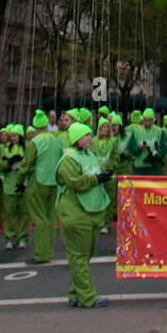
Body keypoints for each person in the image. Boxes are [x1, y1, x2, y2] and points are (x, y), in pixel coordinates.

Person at [56, 121, 111, 308]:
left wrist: (103, 176)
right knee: (79, 256)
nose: (90, 138)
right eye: (87, 135)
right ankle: (87, 297)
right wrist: (97, 179)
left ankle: (75, 292)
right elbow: (77, 182)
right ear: (77, 139)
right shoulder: (68, 159)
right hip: (76, 213)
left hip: (91, 212)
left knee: (83, 256)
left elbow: (92, 177)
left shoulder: (88, 155)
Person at [19, 108, 65, 263]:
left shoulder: (34, 143)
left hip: (38, 182)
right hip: (54, 182)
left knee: (39, 219)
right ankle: (49, 251)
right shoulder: (56, 140)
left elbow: (25, 165)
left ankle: (41, 254)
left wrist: (19, 182)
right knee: (51, 218)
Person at [0, 125, 27, 249]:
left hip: (24, 184)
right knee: (9, 214)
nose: (13, 138)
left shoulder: (27, 148)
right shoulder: (5, 150)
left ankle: (23, 238)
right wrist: (8, 164)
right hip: (9, 184)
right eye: (11, 136)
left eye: (15, 136)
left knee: (24, 214)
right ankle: (10, 238)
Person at [125, 108, 167, 173]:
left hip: (155, 168)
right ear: (142, 120)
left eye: (149, 120)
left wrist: (157, 156)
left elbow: (165, 148)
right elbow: (131, 148)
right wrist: (139, 148)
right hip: (139, 168)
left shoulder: (159, 131)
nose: (147, 123)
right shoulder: (136, 131)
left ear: (153, 120)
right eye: (145, 120)